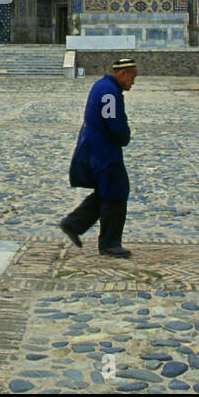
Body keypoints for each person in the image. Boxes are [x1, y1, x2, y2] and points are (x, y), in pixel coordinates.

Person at [60, 59, 138, 258]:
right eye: (132, 77)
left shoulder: (103, 86)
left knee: (107, 191)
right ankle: (110, 244)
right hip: (102, 149)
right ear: (122, 74)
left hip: (97, 145)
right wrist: (124, 136)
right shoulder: (109, 93)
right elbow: (113, 122)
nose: (133, 82)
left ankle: (73, 224)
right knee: (116, 192)